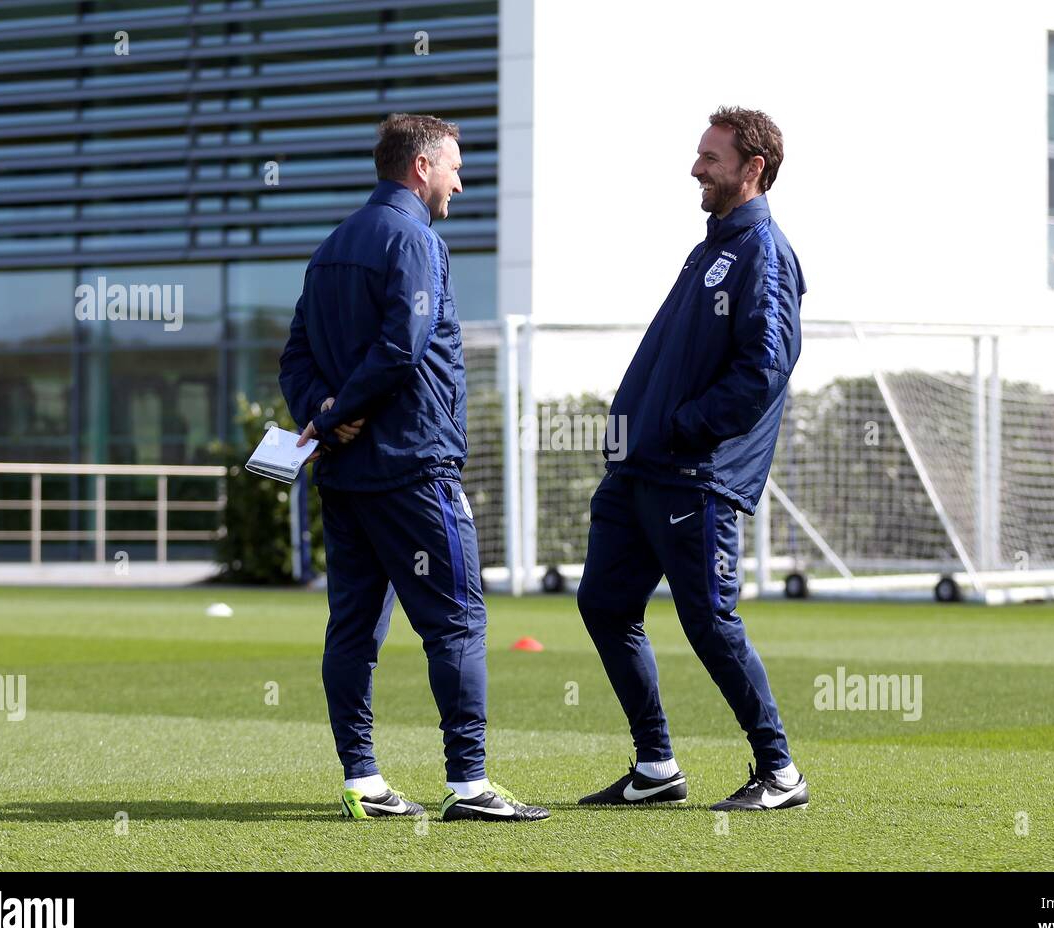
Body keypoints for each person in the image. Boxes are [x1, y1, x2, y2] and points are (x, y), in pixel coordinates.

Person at [279, 113, 549, 822]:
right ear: (422, 166)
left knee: (352, 628)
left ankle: (362, 779)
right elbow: (404, 346)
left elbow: (294, 357)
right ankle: (469, 784)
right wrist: (339, 410)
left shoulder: (332, 246)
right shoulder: (416, 239)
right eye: (454, 166)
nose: (460, 181)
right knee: (457, 620)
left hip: (345, 478)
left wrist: (325, 410)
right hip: (413, 470)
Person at [576, 106, 808, 812]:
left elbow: (764, 369)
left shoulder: (764, 251)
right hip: (641, 470)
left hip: (693, 475)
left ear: (752, 169)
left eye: (710, 157)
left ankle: (780, 771)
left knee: (709, 621)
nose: (696, 168)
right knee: (604, 604)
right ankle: (656, 765)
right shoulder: (712, 246)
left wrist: (683, 428)